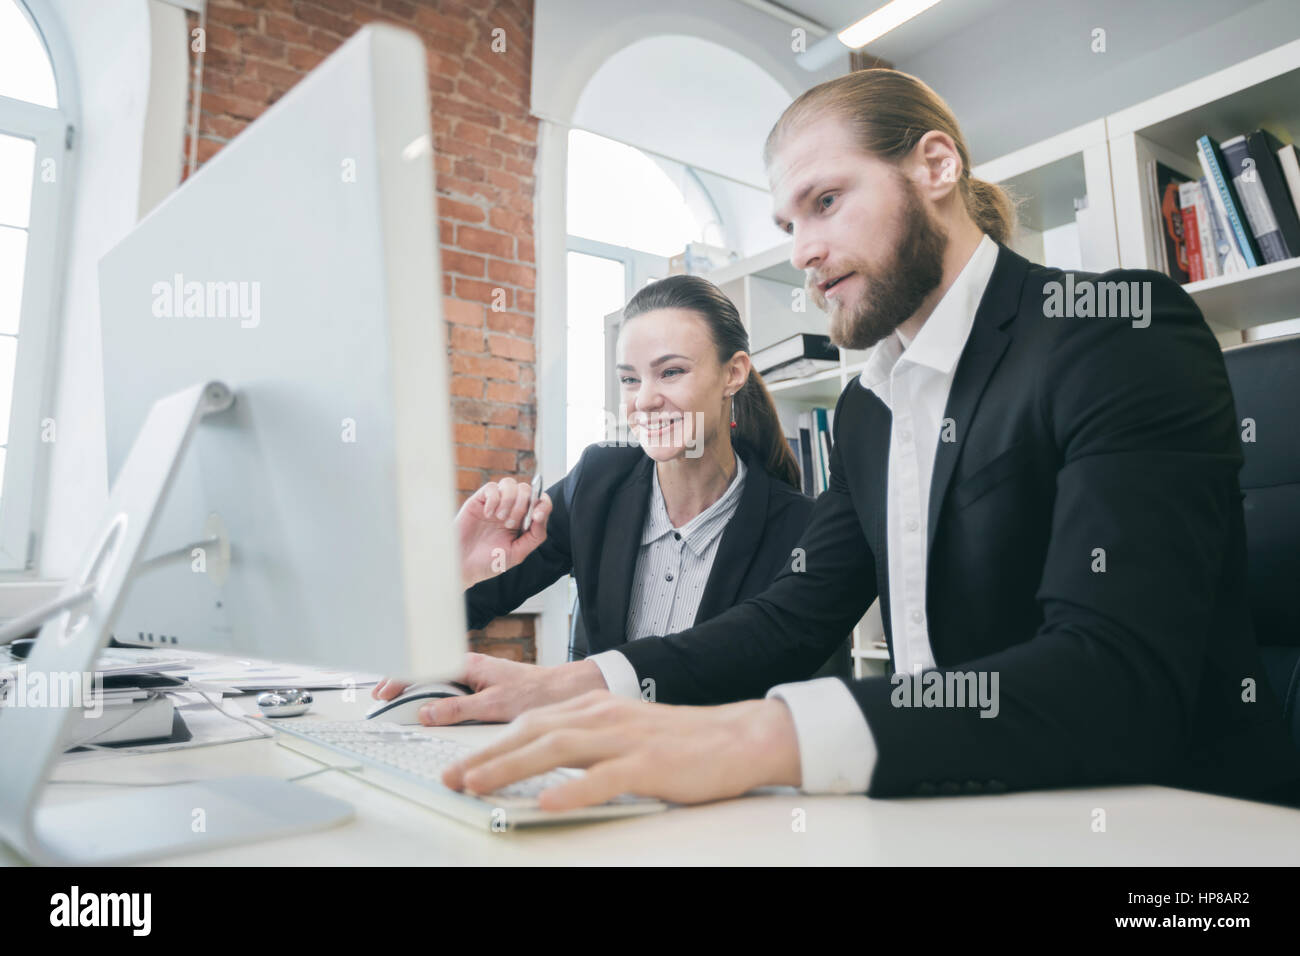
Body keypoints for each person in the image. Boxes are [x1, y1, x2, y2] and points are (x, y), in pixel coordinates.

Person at [427, 68, 1300, 811]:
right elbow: (787, 618)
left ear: (935, 165)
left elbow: (1114, 675)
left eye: (827, 201)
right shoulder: (868, 412)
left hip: (1163, 831)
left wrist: (765, 736)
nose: (805, 250)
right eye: (787, 226)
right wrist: (572, 684)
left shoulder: (1117, 333)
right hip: (956, 803)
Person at [373, 275, 849, 715]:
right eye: (629, 379)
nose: (643, 400)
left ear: (734, 374)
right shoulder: (599, 482)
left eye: (671, 372)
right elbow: (453, 612)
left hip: (723, 788)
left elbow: (797, 700)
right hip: (593, 767)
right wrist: (462, 567)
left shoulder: (799, 527)